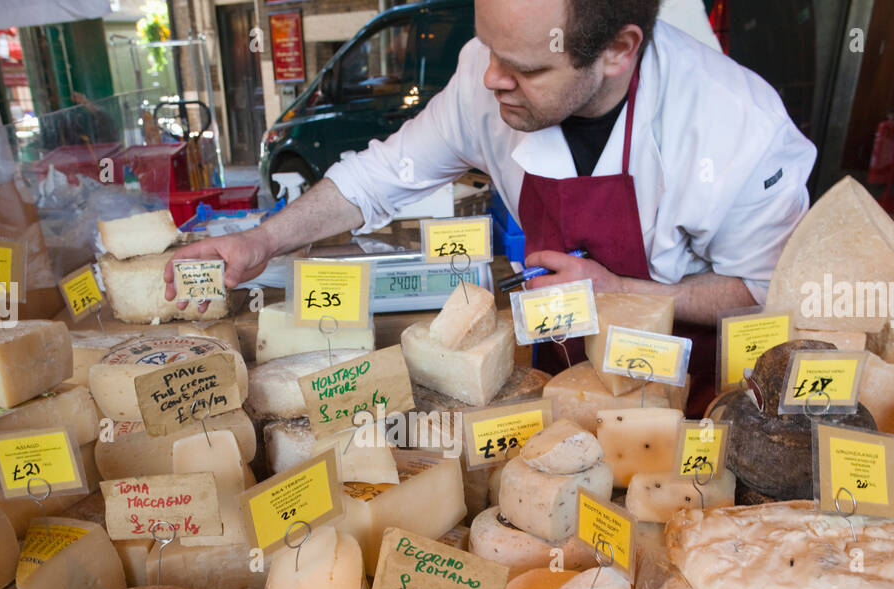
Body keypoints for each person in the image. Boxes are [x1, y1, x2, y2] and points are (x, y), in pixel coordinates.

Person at [169, 0, 815, 404]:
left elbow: (765, 289)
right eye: (490, 50)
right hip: (552, 381)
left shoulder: (737, 128)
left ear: (618, 51)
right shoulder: (489, 76)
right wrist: (262, 240)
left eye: (527, 69)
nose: (491, 79)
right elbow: (377, 178)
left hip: (675, 399)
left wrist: (621, 289)